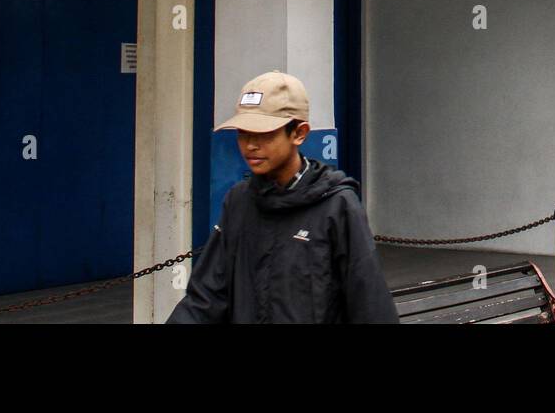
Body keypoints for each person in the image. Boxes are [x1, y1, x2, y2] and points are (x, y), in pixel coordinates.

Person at [166, 71, 399, 323]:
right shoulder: (239, 202)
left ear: (299, 133)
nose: (250, 145)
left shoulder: (337, 205)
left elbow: (370, 303)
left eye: (264, 134)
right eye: (243, 133)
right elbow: (206, 297)